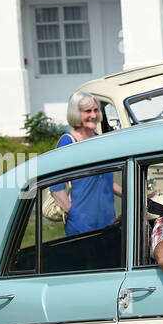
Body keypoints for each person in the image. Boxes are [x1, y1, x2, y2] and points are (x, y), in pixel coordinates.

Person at [51, 90, 121, 236]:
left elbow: (105, 181)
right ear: (76, 113)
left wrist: (137, 195)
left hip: (108, 222)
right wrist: (75, 216)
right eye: (87, 111)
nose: (94, 115)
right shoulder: (68, 142)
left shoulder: (99, 140)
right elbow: (56, 188)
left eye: (96, 110)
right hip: (81, 225)